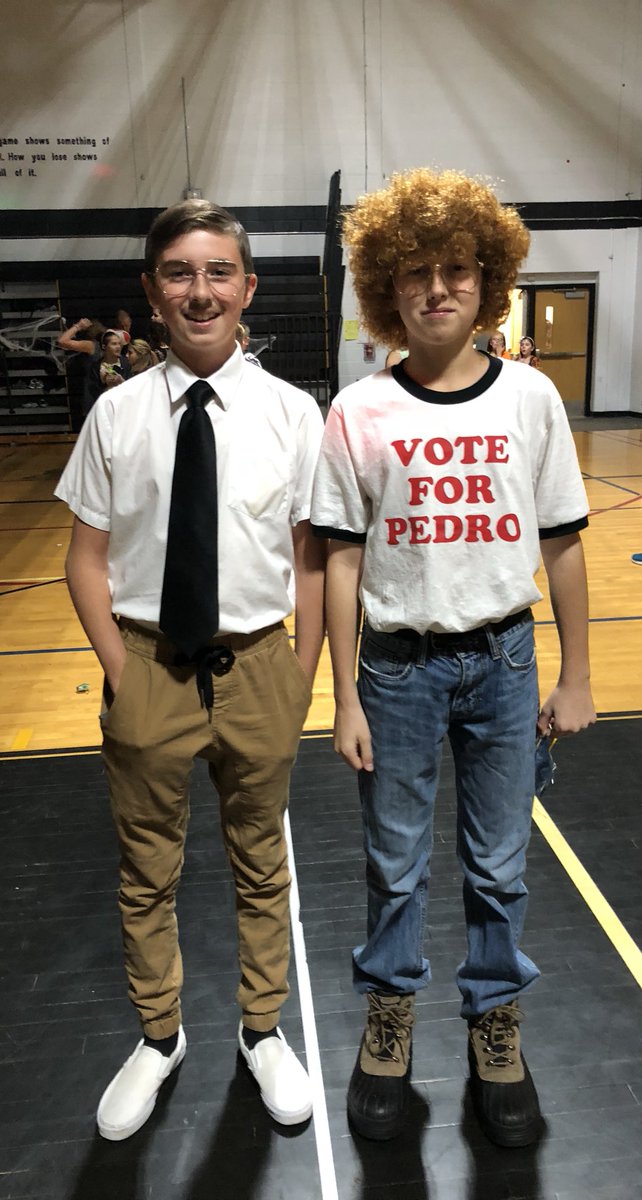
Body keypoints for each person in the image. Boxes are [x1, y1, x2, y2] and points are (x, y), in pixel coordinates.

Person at [311, 167, 596, 1148]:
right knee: (395, 866)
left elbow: (561, 539)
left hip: (506, 663)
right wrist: (343, 697)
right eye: (416, 272)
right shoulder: (357, 412)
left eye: (457, 270)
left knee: (500, 865)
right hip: (395, 671)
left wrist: (578, 672)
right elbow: (342, 561)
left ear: (489, 282)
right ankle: (389, 1027)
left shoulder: (530, 399)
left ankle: (495, 1029)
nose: (437, 288)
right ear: (386, 287)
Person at [54, 199, 326, 1141]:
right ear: (152, 291)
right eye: (179, 272)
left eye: (218, 272)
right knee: (146, 874)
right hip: (149, 669)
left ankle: (262, 1031)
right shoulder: (117, 416)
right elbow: (85, 556)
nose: (199, 290)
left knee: (263, 866)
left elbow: (310, 555)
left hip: (259, 668)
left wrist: (302, 670)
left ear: (247, 288)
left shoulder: (296, 415)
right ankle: (159, 1037)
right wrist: (118, 669)